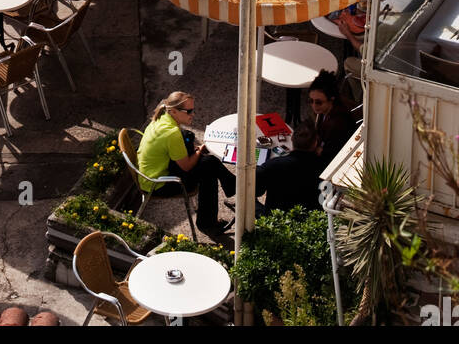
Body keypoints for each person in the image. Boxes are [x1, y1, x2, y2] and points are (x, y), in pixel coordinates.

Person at [135, 90, 236, 235]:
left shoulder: (161, 118)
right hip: (159, 183)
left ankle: (231, 188)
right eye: (189, 111)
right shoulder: (172, 133)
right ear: (174, 111)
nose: (192, 114)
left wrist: (196, 151)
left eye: (193, 110)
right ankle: (207, 223)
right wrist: (199, 150)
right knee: (208, 168)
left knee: (208, 163)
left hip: (150, 174)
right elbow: (187, 166)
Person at [254, 121, 322, 214]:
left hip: (276, 220)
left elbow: (256, 191)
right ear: (315, 143)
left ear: (292, 138)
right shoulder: (324, 168)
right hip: (310, 221)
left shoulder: (273, 165)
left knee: (251, 201)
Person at [308, 70, 356, 160]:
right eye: (311, 101)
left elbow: (329, 154)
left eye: (318, 102)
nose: (314, 106)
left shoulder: (337, 124)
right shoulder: (326, 110)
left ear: (331, 99)